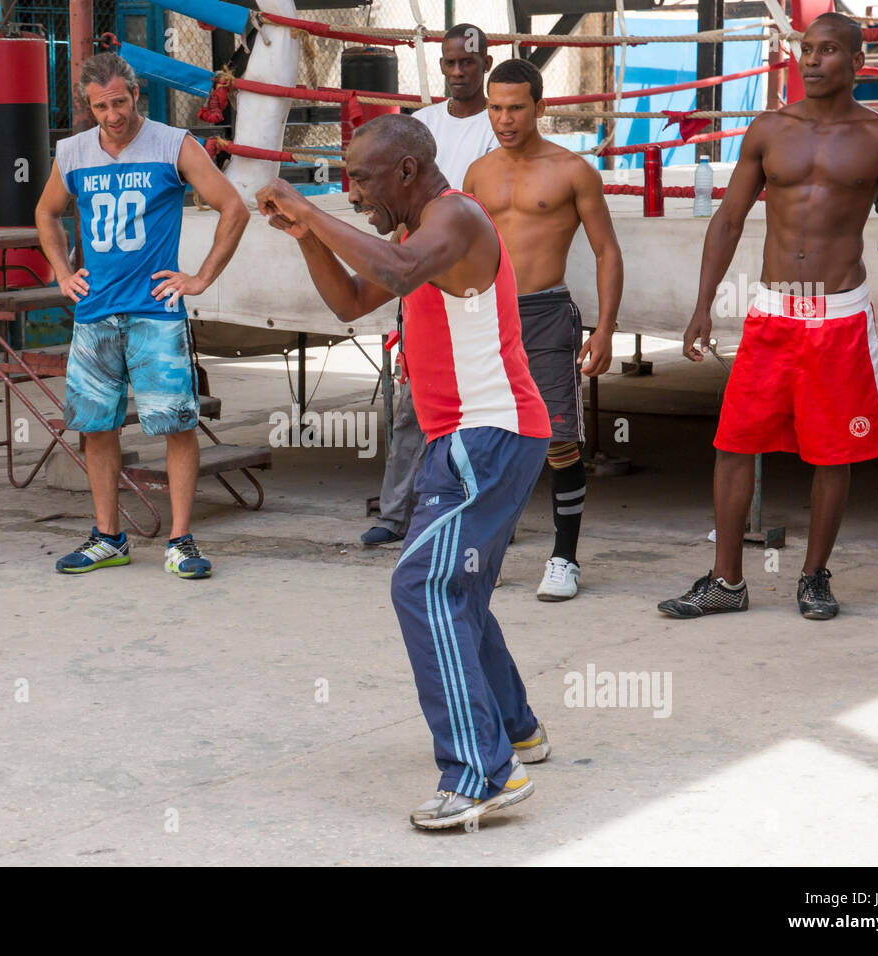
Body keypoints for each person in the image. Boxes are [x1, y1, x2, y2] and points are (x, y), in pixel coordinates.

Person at [257, 114, 552, 829]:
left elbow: (391, 271)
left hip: (485, 436)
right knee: (458, 589)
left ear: (409, 173)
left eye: (362, 179)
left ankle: (482, 774)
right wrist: (308, 237)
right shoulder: (420, 235)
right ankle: (515, 730)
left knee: (422, 585)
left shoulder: (452, 219)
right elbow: (356, 301)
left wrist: (310, 211)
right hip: (474, 439)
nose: (352, 192)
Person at [659, 12, 878, 620]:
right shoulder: (768, 130)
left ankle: (814, 576)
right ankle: (727, 581)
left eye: (828, 50)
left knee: (832, 452)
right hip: (772, 314)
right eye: (806, 49)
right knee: (734, 443)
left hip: (840, 316)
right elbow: (729, 219)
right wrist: (703, 305)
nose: (811, 60)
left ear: (857, 63)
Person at [35, 52, 249, 578]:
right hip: (96, 313)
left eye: (120, 102)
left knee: (176, 424)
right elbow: (45, 211)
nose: (113, 115)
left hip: (155, 313)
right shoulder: (74, 152)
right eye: (101, 106)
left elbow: (234, 207)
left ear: (136, 96)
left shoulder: (173, 143)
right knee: (96, 426)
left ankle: (181, 540)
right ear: (87, 107)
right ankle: (108, 536)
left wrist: (199, 279)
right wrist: (63, 271)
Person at [464, 58, 623, 600]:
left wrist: (605, 329)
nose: (504, 119)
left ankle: (564, 558)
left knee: (558, 439)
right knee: (487, 439)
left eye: (515, 108)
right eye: (495, 108)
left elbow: (606, 250)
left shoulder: (572, 170)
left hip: (546, 313)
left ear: (540, 107)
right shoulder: (477, 174)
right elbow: (463, 251)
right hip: (485, 315)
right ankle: (488, 551)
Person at [360, 22, 498, 548]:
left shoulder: (498, 124)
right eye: (449, 63)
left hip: (475, 279)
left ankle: (483, 515)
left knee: (483, 402)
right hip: (420, 274)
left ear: (486, 64)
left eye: (468, 62)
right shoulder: (420, 124)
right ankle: (395, 514)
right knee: (414, 401)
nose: (458, 72)